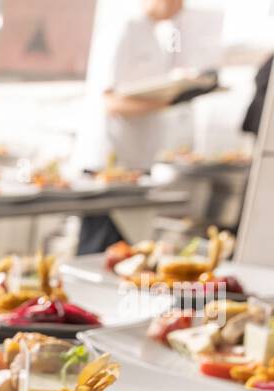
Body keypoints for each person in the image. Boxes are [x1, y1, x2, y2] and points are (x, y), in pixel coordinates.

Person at [75, 0, 219, 253]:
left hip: (136, 164)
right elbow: (110, 102)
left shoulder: (155, 34)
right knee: (99, 251)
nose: (181, 7)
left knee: (126, 256)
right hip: (109, 165)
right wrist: (168, 102)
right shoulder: (122, 28)